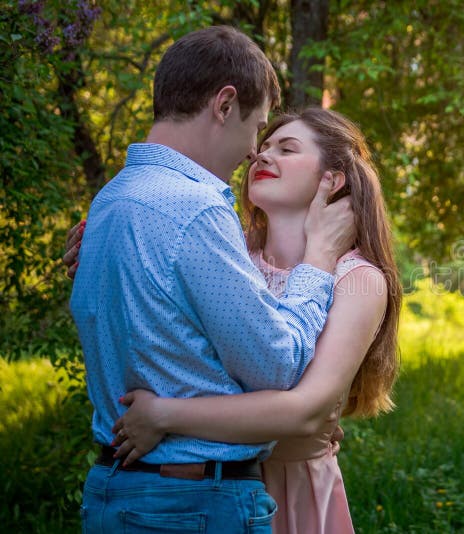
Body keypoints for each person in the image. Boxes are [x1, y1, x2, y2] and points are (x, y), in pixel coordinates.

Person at [69, 27, 356, 533]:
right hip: (190, 504)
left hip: (115, 490)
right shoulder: (196, 209)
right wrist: (320, 261)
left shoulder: (111, 201)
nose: (254, 152)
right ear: (225, 104)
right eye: (258, 128)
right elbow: (278, 364)